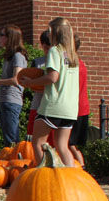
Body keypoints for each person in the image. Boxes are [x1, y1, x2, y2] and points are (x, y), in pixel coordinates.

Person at [24, 17, 80, 167]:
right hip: (70, 108)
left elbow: (52, 77)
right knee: (62, 146)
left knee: (37, 143)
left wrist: (31, 83)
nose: (48, 35)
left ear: (56, 32)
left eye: (49, 31)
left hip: (53, 105)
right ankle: (70, 179)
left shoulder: (55, 51)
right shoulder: (72, 54)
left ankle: (45, 176)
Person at [69, 34, 90, 166]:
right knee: (70, 144)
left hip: (75, 108)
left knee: (68, 143)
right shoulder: (80, 63)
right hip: (82, 107)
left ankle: (81, 168)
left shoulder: (73, 65)